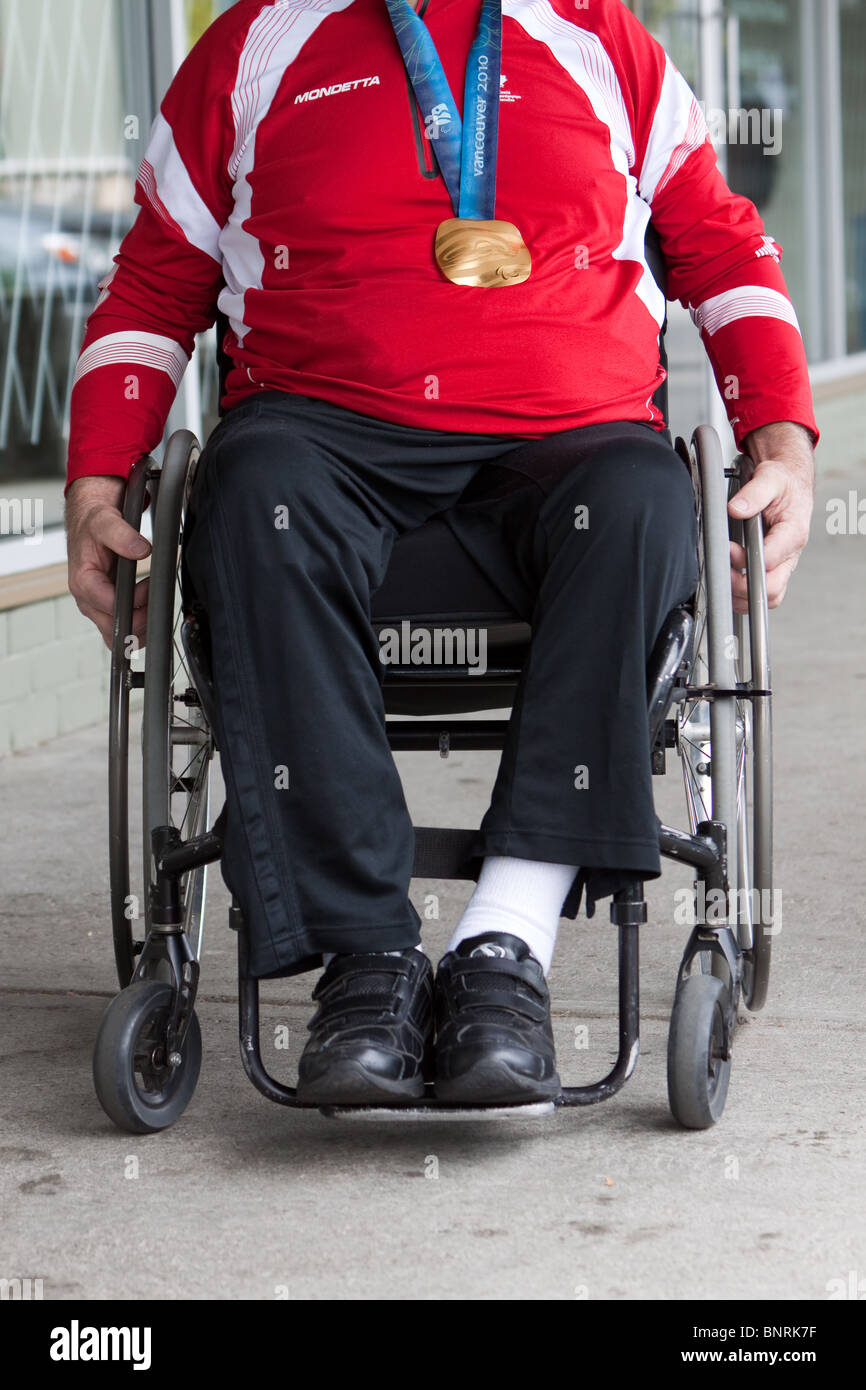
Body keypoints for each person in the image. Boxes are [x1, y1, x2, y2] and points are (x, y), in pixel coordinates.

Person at [65, 0, 817, 1107]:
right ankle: (367, 961)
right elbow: (152, 282)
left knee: (643, 497)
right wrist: (94, 487)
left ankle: (502, 950)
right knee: (250, 488)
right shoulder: (254, 42)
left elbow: (721, 247)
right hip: (322, 436)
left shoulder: (603, 41)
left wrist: (783, 444)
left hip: (566, 442)